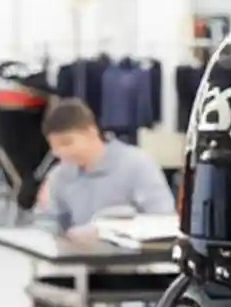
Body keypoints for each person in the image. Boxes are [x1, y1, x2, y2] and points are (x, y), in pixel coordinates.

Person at [35, 98, 175, 238]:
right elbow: (46, 222)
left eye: (67, 143)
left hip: (130, 249)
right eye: (54, 147)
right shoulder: (59, 175)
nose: (61, 152)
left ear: (91, 132)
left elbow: (164, 220)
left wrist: (107, 230)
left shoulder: (137, 164)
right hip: (75, 250)